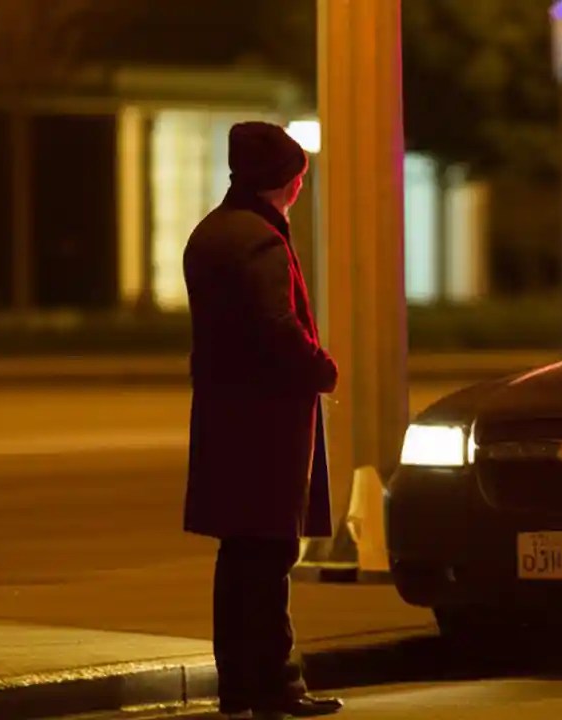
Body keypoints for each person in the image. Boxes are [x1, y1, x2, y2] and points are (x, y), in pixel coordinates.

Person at [183, 121, 343, 719]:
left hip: (223, 419)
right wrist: (321, 368)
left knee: (238, 558)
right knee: (270, 556)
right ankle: (277, 685)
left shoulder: (209, 234)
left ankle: (239, 687)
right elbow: (278, 328)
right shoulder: (262, 241)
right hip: (267, 427)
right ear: (287, 180)